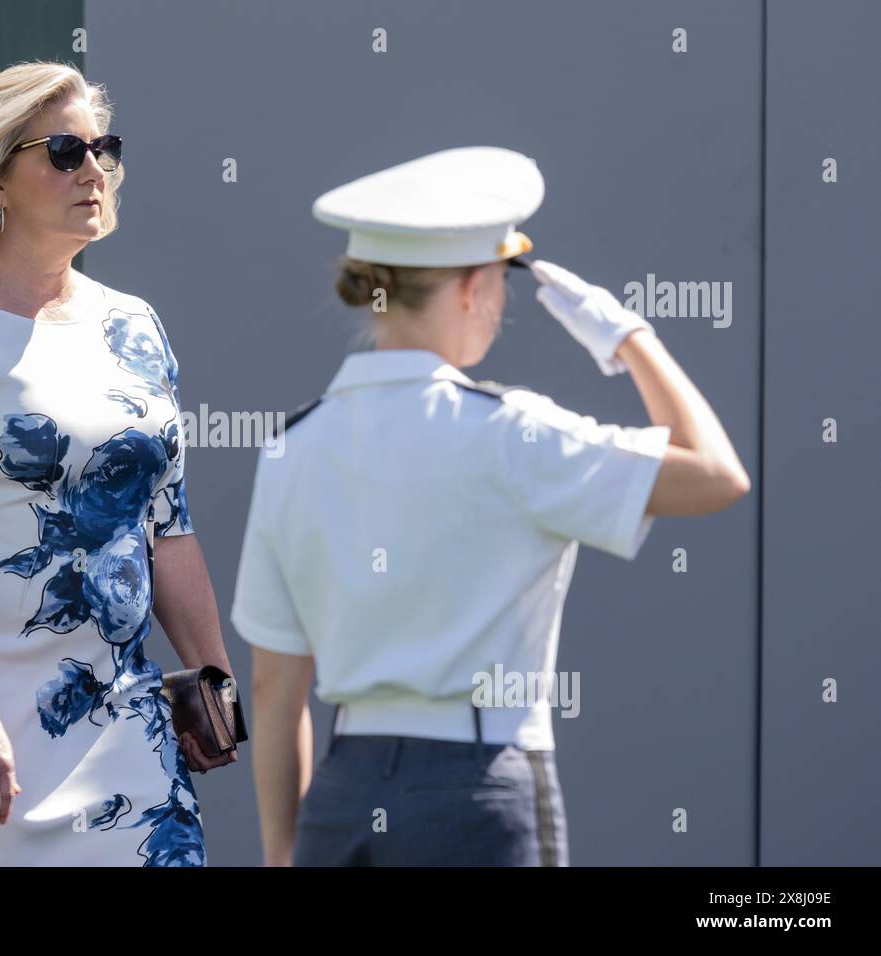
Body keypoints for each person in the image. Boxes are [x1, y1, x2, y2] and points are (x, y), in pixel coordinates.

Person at [230, 146, 750, 866]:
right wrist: (629, 336)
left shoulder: (292, 445)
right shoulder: (510, 431)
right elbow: (719, 474)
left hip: (343, 798)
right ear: (474, 287)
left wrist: (285, 851)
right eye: (500, 280)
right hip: (475, 788)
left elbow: (273, 684)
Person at [0, 61, 235, 867]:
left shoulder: (136, 324)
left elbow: (170, 531)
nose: (94, 171)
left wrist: (213, 678)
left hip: (124, 701)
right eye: (65, 151)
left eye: (103, 149)